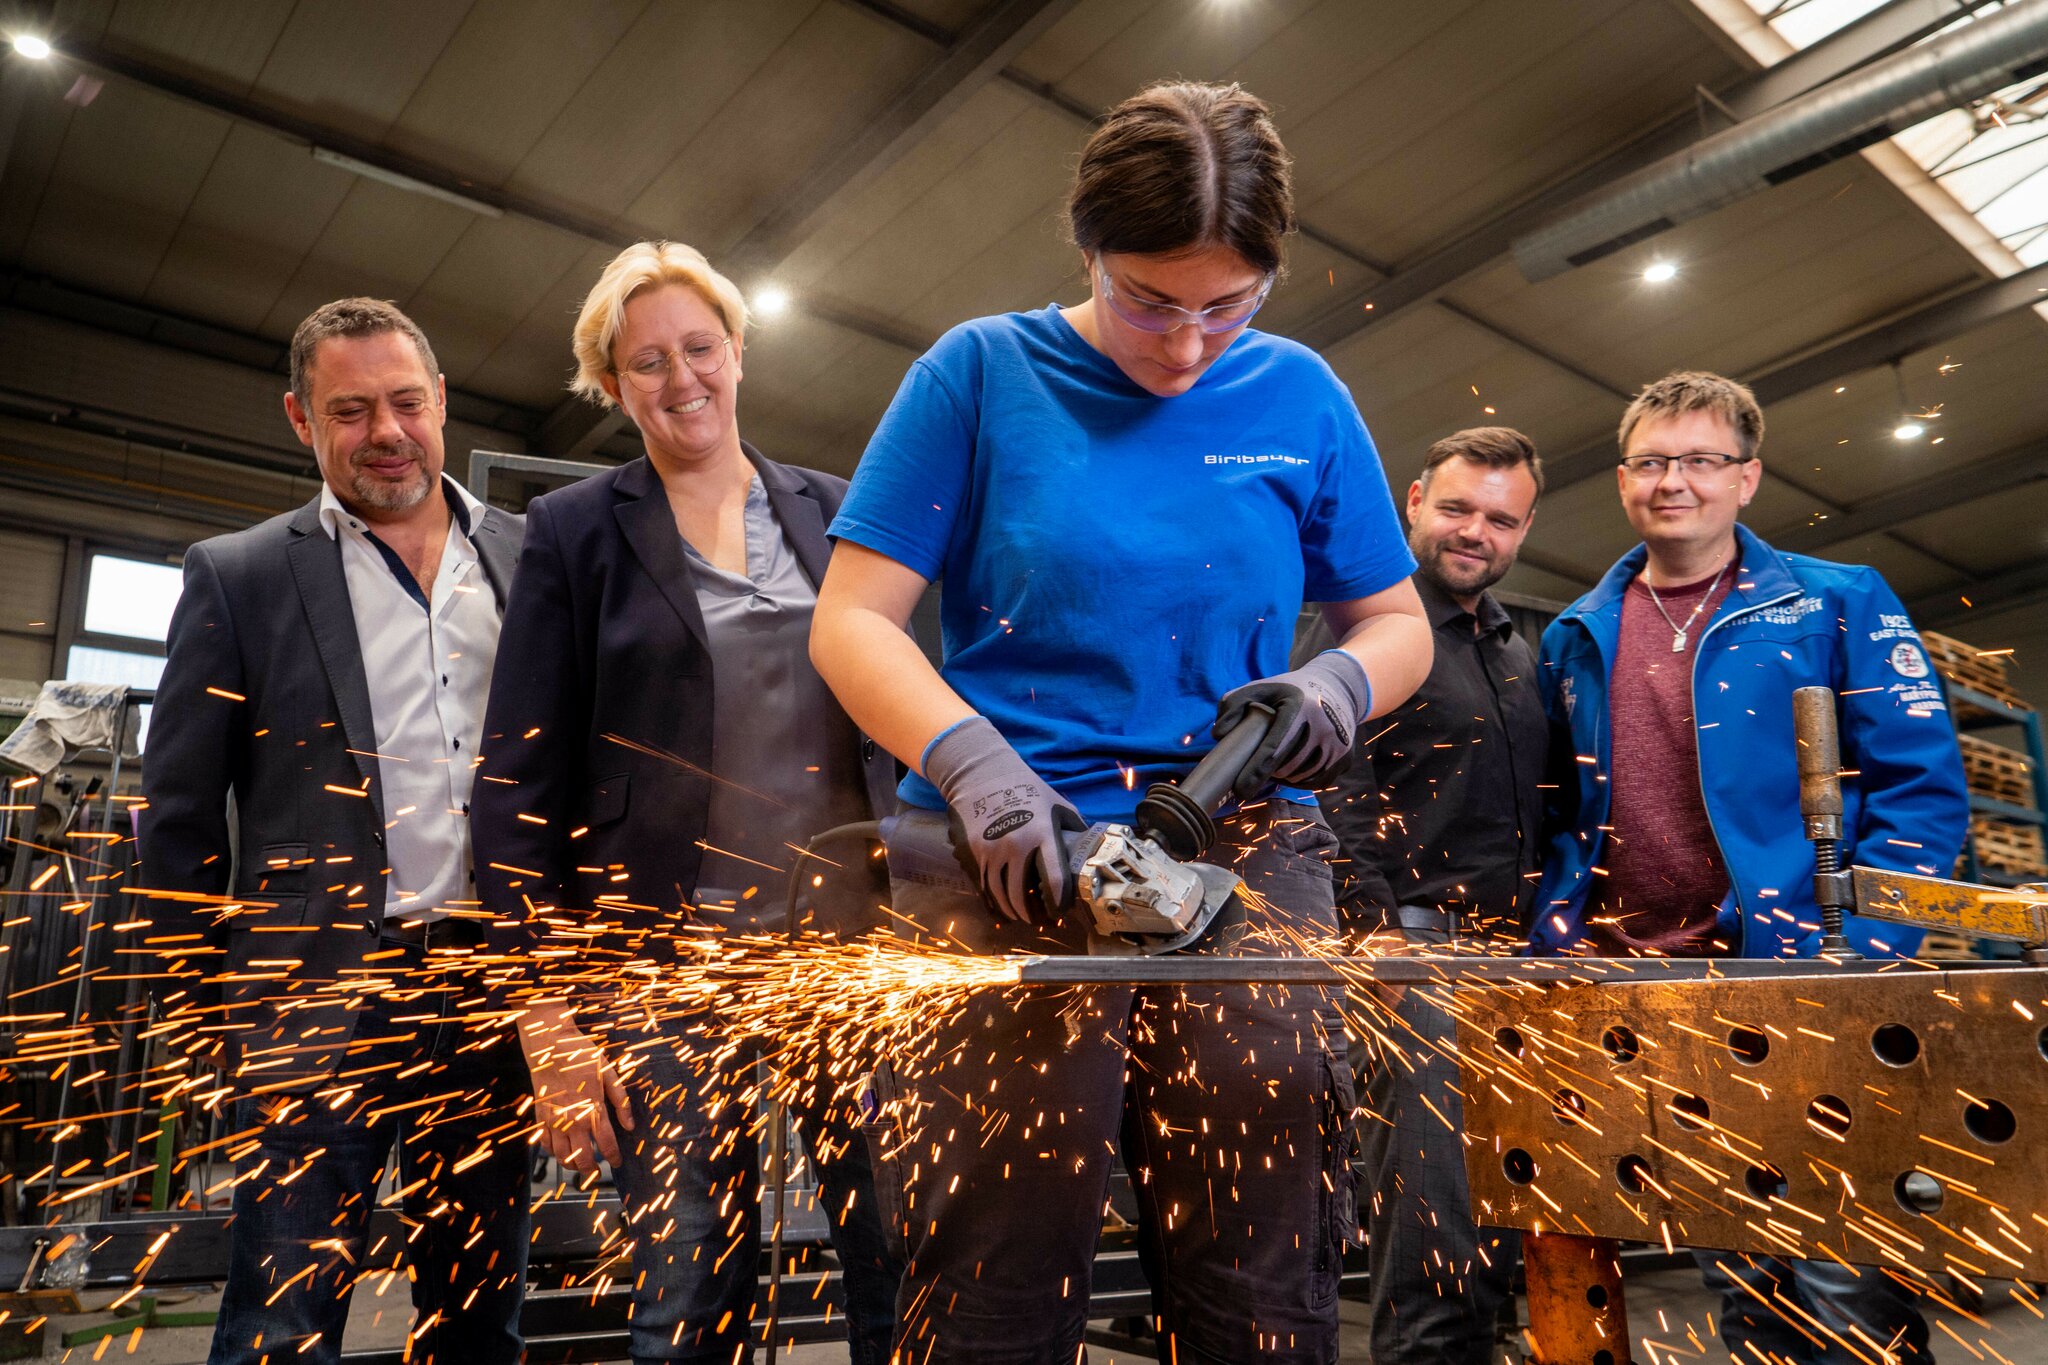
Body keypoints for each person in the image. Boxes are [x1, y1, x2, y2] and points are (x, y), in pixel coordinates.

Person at [809, 81, 1431, 1364]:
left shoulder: (1299, 394)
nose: (1188, 342)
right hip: (1009, 857)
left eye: (1228, 304)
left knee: (1264, 1274)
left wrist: (1335, 687)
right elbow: (852, 621)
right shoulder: (979, 374)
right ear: (1086, 250)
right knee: (990, 1272)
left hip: (1242, 860)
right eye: (1152, 299)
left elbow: (1395, 622)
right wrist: (971, 765)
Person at [469, 240, 903, 1365]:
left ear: (739, 352)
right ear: (610, 385)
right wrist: (546, 1014)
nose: (681, 380)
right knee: (689, 1280)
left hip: (844, 957)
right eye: (645, 362)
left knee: (896, 1260)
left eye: (698, 348)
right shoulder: (575, 531)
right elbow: (516, 779)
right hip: (663, 964)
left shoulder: (838, 510)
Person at [1534, 370, 1967, 1364]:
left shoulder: (1835, 600)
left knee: (1840, 1274)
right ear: (1620, 479)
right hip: (1655, 994)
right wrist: (1559, 932)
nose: (1671, 481)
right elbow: (1562, 813)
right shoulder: (1575, 633)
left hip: (1805, 982)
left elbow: (1917, 792)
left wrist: (1855, 948)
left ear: (1746, 478)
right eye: (1650, 461)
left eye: (1698, 460)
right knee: (1735, 1268)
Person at [141, 298, 531, 1365]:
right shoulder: (242, 574)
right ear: (300, 421)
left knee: (481, 1308)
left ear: (441, 401)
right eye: (350, 411)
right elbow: (177, 820)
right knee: (283, 1314)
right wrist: (201, 1013)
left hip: (493, 993)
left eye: (406, 402)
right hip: (312, 1001)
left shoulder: (533, 559)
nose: (386, 433)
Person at [1319, 427, 1545, 1365]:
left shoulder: (1514, 648)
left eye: (1500, 518)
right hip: (1413, 968)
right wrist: (1377, 941)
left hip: (1517, 972)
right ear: (1414, 500)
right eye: (1457, 508)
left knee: (1500, 1253)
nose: (1474, 532)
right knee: (1437, 1261)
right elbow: (1329, 791)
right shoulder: (1362, 631)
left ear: (1524, 531)